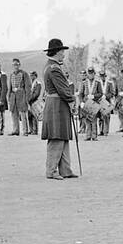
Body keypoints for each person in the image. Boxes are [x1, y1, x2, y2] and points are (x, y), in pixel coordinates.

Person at [40, 38, 78, 179]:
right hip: (57, 105)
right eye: (62, 52)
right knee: (56, 137)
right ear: (56, 52)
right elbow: (63, 89)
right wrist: (73, 99)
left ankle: (65, 170)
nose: (64, 54)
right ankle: (51, 171)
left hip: (57, 105)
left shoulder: (51, 66)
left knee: (63, 137)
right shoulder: (54, 68)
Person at [7, 59, 29, 136]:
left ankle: (25, 131)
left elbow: (27, 87)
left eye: (16, 64)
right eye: (14, 65)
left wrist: (27, 98)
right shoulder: (11, 74)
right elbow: (10, 87)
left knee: (23, 114)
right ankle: (15, 130)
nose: (15, 66)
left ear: (19, 65)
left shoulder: (24, 74)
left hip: (22, 95)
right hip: (13, 96)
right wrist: (9, 97)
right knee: (14, 114)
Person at [26, 65, 43, 134]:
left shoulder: (38, 83)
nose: (31, 76)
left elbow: (36, 93)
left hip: (34, 101)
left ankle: (35, 130)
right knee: (29, 116)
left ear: (35, 76)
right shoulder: (29, 83)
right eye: (30, 75)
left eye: (32, 75)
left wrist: (30, 99)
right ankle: (31, 129)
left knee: (34, 116)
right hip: (29, 101)